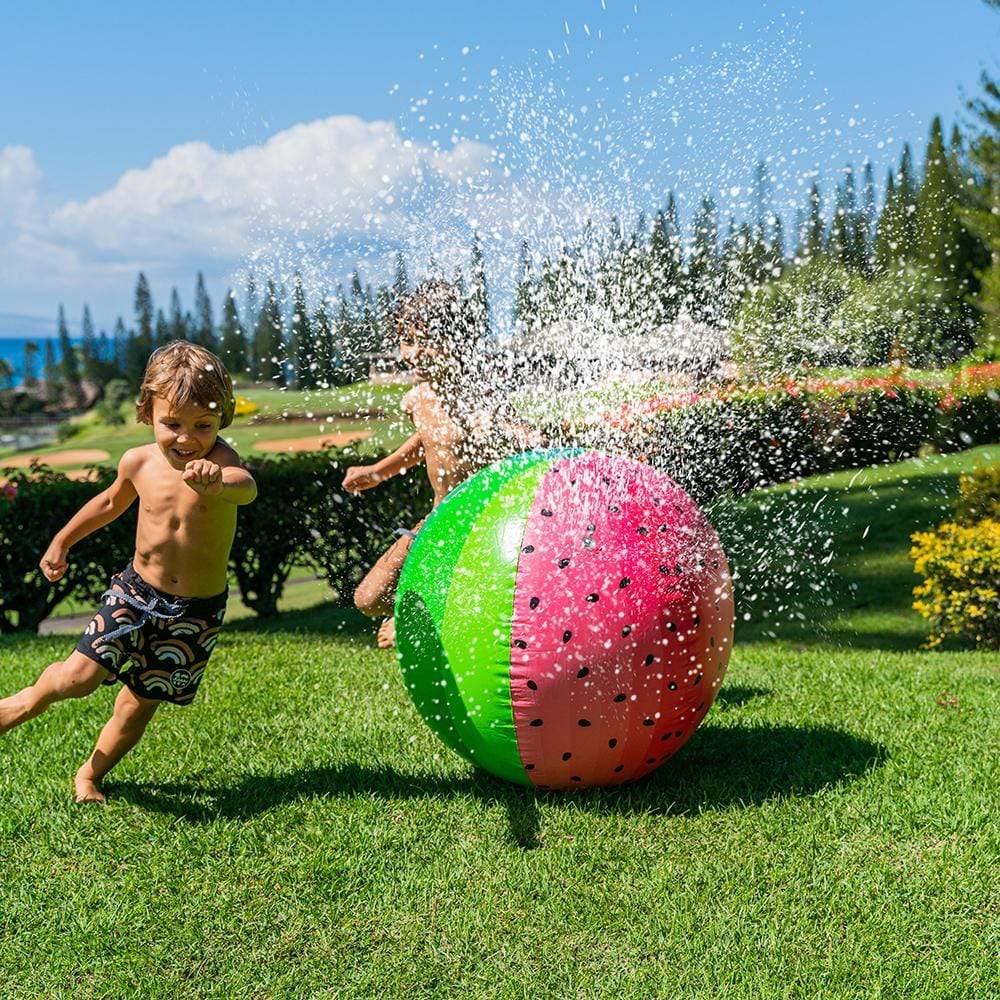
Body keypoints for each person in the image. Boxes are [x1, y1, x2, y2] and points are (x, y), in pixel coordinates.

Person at [0, 341, 257, 804]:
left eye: (203, 425)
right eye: (172, 424)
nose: (187, 438)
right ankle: (19, 704)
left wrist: (217, 481)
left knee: (137, 706)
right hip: (135, 594)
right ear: (148, 414)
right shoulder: (138, 461)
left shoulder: (221, 463)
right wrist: (62, 540)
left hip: (195, 613)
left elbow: (246, 488)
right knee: (78, 679)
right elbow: (108, 503)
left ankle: (90, 775)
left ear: (222, 420)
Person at [343, 279, 540, 649]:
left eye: (422, 340)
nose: (410, 353)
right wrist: (379, 471)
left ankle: (426, 621)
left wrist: (522, 435)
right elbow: (430, 440)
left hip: (483, 532)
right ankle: (420, 615)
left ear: (456, 340)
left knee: (461, 602)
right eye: (405, 340)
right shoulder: (418, 398)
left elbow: (519, 436)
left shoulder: (480, 394)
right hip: (438, 522)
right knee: (368, 599)